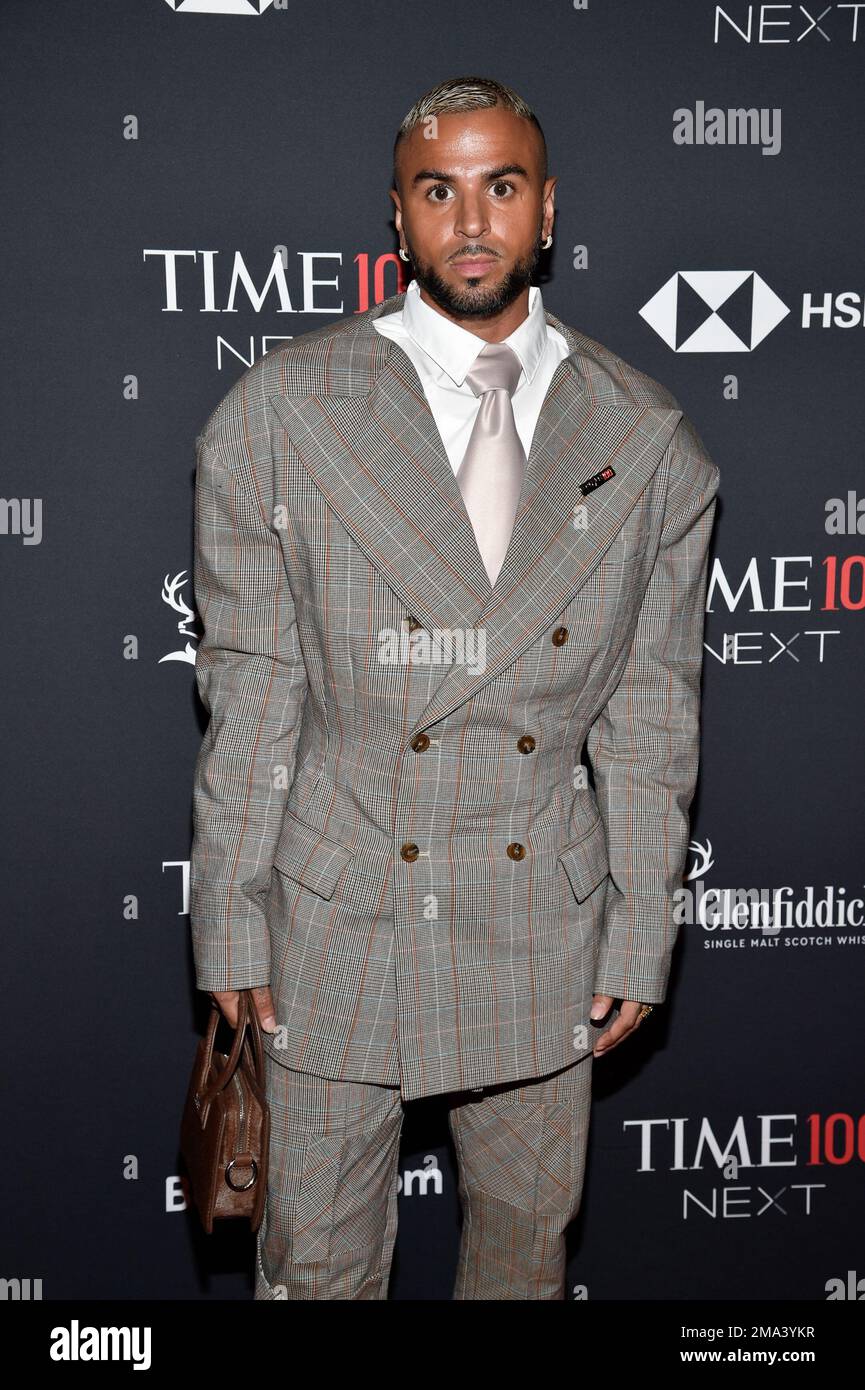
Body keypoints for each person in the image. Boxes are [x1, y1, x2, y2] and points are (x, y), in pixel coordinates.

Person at [188, 75, 720, 1300]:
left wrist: (640, 928)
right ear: (397, 216)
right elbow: (254, 686)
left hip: (542, 915)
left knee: (524, 1264)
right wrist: (231, 910)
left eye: (500, 186)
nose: (470, 221)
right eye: (439, 190)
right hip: (337, 904)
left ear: (546, 213)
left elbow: (648, 715)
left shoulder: (645, 438)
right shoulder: (278, 414)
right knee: (314, 1268)